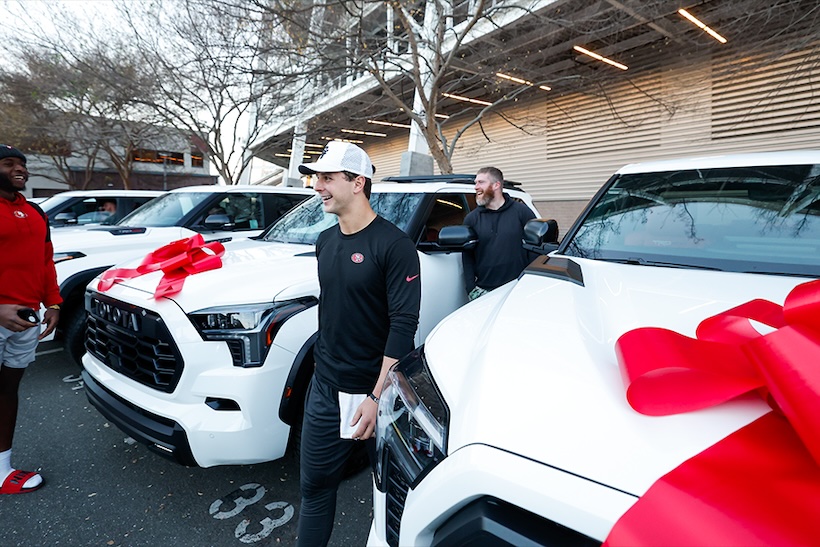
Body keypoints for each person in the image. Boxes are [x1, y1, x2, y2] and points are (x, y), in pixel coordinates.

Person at [295, 141, 421, 546]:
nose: (318, 187)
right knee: (314, 489)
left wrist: (375, 395)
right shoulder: (325, 242)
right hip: (325, 387)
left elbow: (403, 326)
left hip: (377, 396)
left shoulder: (394, 245)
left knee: (388, 495)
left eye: (327, 178)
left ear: (357, 183)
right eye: (317, 178)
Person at [0, 145, 61, 494]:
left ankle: (2, 471)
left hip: (27, 320)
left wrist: (53, 303)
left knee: (8, 391)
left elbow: (45, 262)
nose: (19, 169)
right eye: (9, 164)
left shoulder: (36, 211)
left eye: (21, 164)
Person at [462, 166, 536, 300]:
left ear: (496, 185)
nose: (476, 187)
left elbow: (535, 250)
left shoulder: (522, 212)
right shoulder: (471, 219)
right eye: (476, 183)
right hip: (483, 292)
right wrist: (471, 288)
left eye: (481, 182)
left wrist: (530, 283)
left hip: (517, 288)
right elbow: (467, 257)